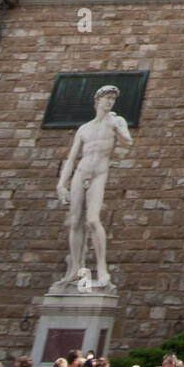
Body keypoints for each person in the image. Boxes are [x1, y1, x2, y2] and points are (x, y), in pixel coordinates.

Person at [52, 85, 132, 292]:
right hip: (81, 172)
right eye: (107, 98)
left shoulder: (116, 121)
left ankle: (102, 267)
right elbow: (71, 159)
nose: (110, 102)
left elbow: (127, 142)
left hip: (99, 173)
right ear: (97, 100)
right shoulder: (84, 129)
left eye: (113, 99)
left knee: (93, 219)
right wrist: (62, 184)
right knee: (75, 221)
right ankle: (76, 269)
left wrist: (117, 127)